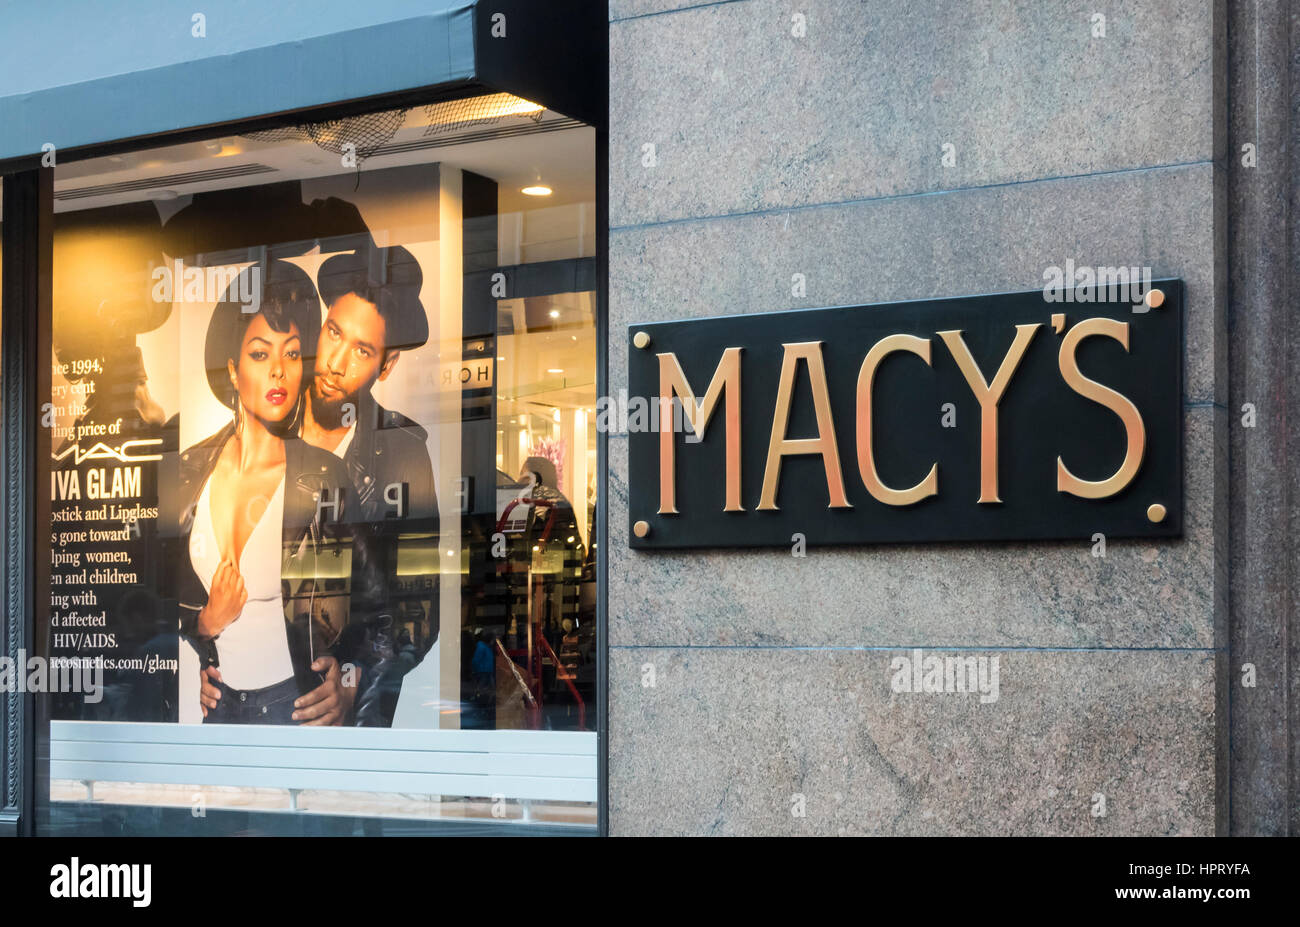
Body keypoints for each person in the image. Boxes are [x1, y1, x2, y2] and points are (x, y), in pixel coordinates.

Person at [200, 244, 437, 726]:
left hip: (334, 718)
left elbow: (417, 613)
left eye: (363, 350)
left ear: (386, 365)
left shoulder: (404, 452)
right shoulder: (262, 418)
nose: (336, 361)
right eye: (333, 333)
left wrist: (354, 680)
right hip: (239, 707)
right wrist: (204, 658)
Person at [172, 261, 373, 725]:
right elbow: (145, 603)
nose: (279, 372)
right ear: (232, 368)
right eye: (260, 355)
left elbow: (382, 607)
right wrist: (204, 625)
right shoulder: (189, 474)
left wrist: (348, 683)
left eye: (292, 353)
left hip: (296, 707)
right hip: (219, 708)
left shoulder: (326, 475)